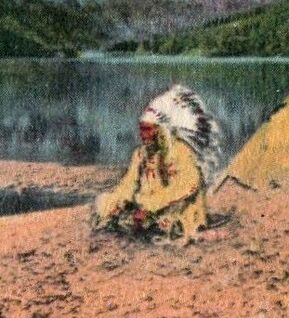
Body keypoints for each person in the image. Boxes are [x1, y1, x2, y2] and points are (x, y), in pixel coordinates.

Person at [93, 86, 223, 243]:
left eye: (148, 130)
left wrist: (151, 206)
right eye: (142, 130)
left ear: (161, 131)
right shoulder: (141, 154)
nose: (143, 136)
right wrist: (119, 202)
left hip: (176, 206)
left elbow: (189, 185)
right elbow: (128, 184)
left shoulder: (180, 151)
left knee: (169, 223)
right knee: (106, 204)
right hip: (147, 206)